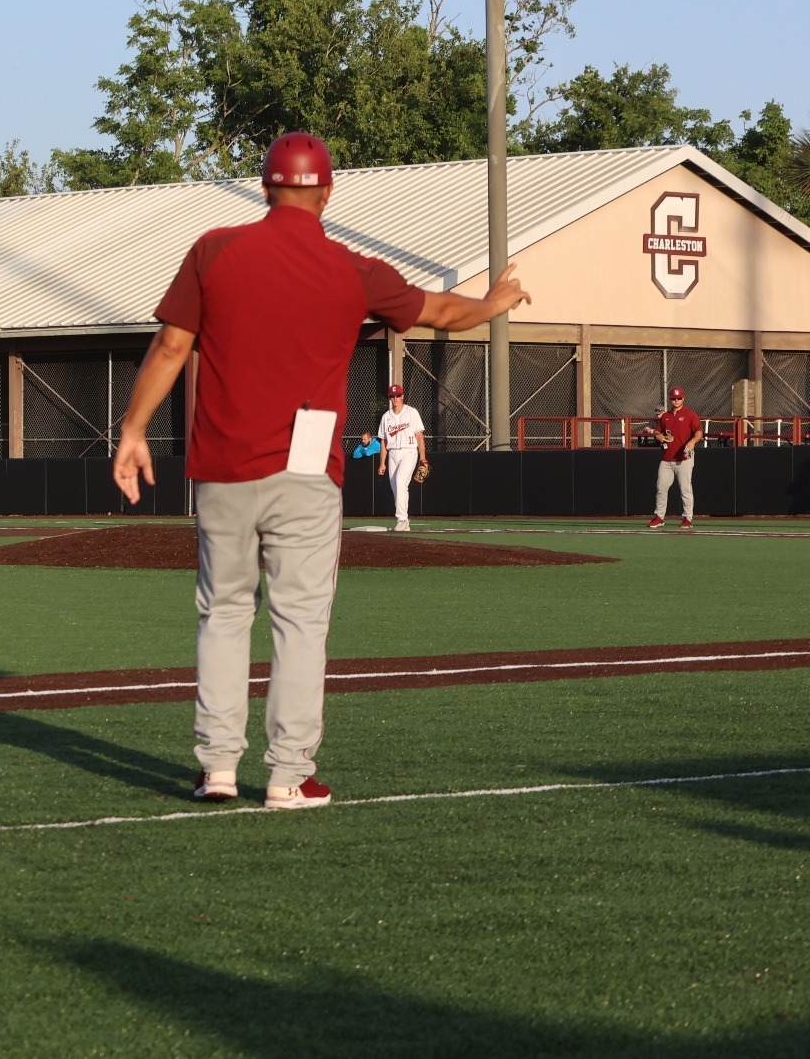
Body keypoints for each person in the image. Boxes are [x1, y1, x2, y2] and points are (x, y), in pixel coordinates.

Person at [111, 133, 531, 810]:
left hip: (221, 465)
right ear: (327, 192)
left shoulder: (214, 249)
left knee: (222, 614)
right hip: (307, 469)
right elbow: (443, 312)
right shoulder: (351, 268)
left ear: (265, 185)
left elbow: (169, 343)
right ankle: (287, 776)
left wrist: (132, 429)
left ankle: (217, 768)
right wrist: (496, 299)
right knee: (300, 622)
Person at [375, 384, 428, 532]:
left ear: (402, 396)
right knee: (396, 488)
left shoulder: (412, 412)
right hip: (392, 454)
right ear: (390, 398)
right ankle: (404, 521)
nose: (395, 398)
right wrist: (382, 463)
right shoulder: (386, 417)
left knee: (400, 482)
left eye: (398, 395)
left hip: (409, 452)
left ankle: (402, 519)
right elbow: (384, 441)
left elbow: (419, 436)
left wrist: (423, 458)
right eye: (392, 396)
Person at [649, 385, 702, 530]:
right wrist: (658, 436)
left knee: (685, 489)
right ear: (670, 399)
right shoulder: (665, 416)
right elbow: (656, 432)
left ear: (683, 398)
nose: (676, 400)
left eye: (679, 398)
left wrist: (692, 442)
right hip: (667, 458)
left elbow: (699, 432)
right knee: (661, 488)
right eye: (674, 398)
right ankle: (659, 517)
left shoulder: (690, 414)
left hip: (683, 458)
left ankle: (687, 518)